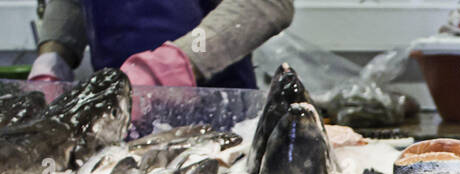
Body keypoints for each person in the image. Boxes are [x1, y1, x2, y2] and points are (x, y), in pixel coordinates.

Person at [28, 0, 295, 89]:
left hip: (215, 116)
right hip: (118, 112)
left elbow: (268, 4)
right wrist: (53, 56)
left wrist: (179, 64)